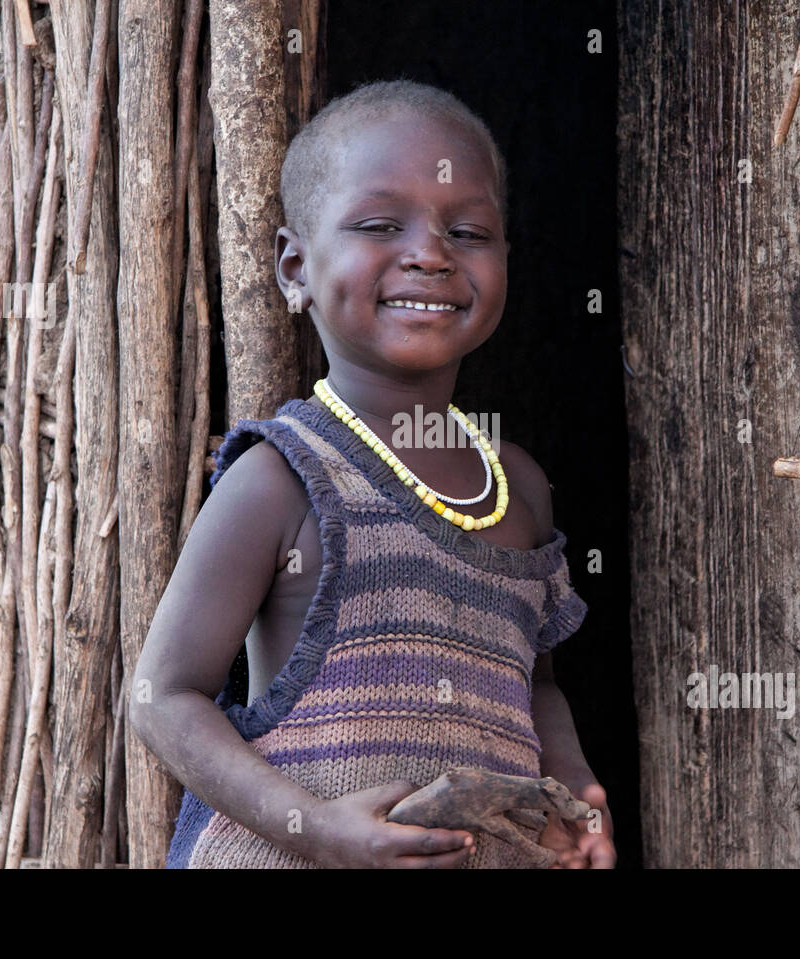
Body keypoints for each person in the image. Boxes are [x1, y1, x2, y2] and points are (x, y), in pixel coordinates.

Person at [131, 79, 614, 869]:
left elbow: (538, 684)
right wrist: (314, 827)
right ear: (295, 267)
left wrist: (573, 786)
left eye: (469, 230)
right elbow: (163, 699)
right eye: (380, 225)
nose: (431, 252)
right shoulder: (283, 478)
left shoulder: (517, 485)